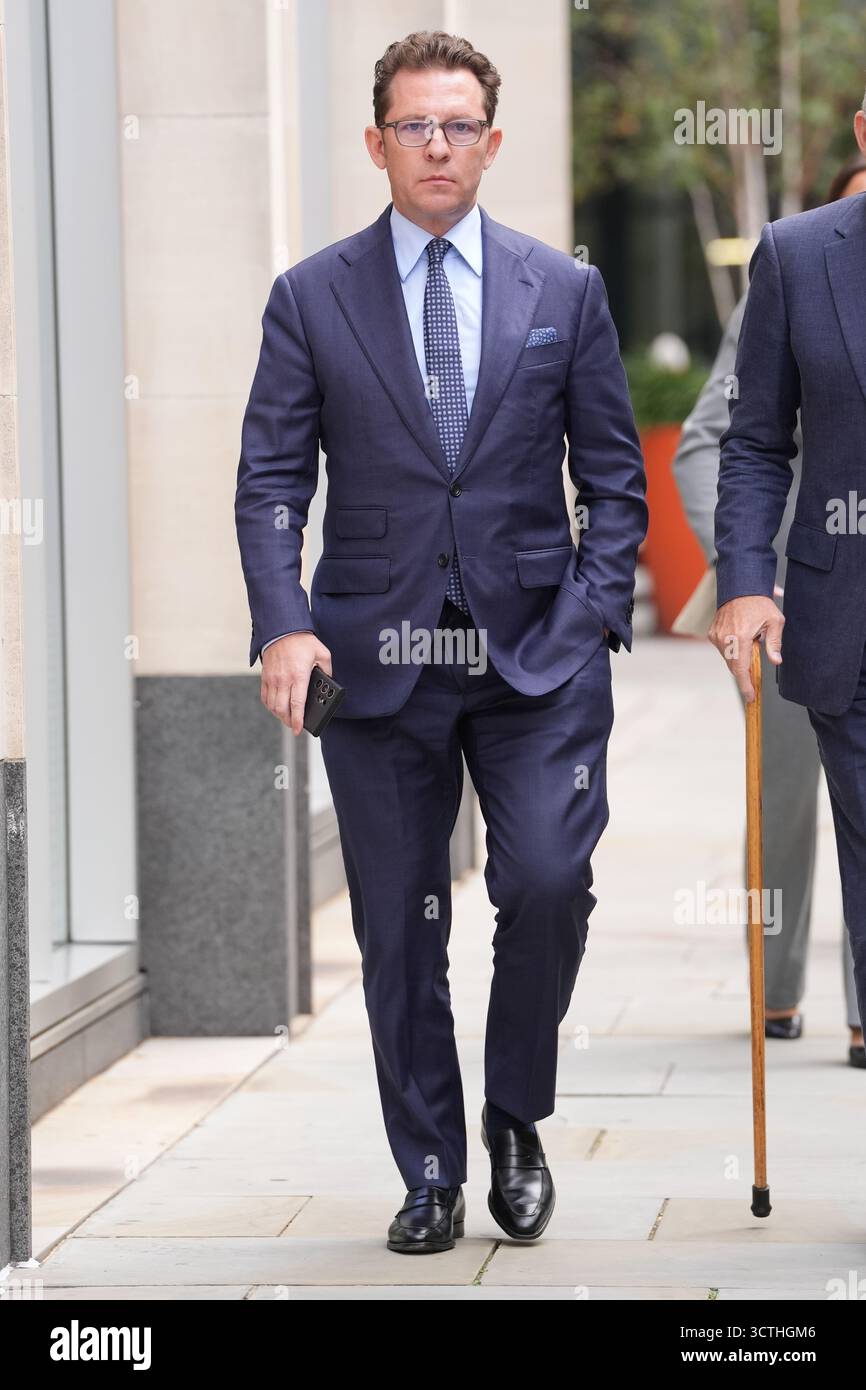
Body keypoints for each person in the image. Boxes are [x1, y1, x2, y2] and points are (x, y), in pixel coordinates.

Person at [234, 30, 647, 1253]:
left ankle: (514, 1113)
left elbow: (614, 481)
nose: (434, 145)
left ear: (491, 141)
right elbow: (268, 481)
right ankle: (428, 1168)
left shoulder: (561, 291)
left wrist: (586, 616)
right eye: (412, 125)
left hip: (535, 658)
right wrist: (284, 623)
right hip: (374, 662)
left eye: (456, 124)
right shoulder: (311, 296)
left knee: (543, 886)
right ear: (375, 142)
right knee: (397, 924)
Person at [676, 151, 866, 1067]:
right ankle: (775, 989)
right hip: (805, 597)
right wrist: (745, 574)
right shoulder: (794, 265)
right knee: (787, 805)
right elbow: (728, 438)